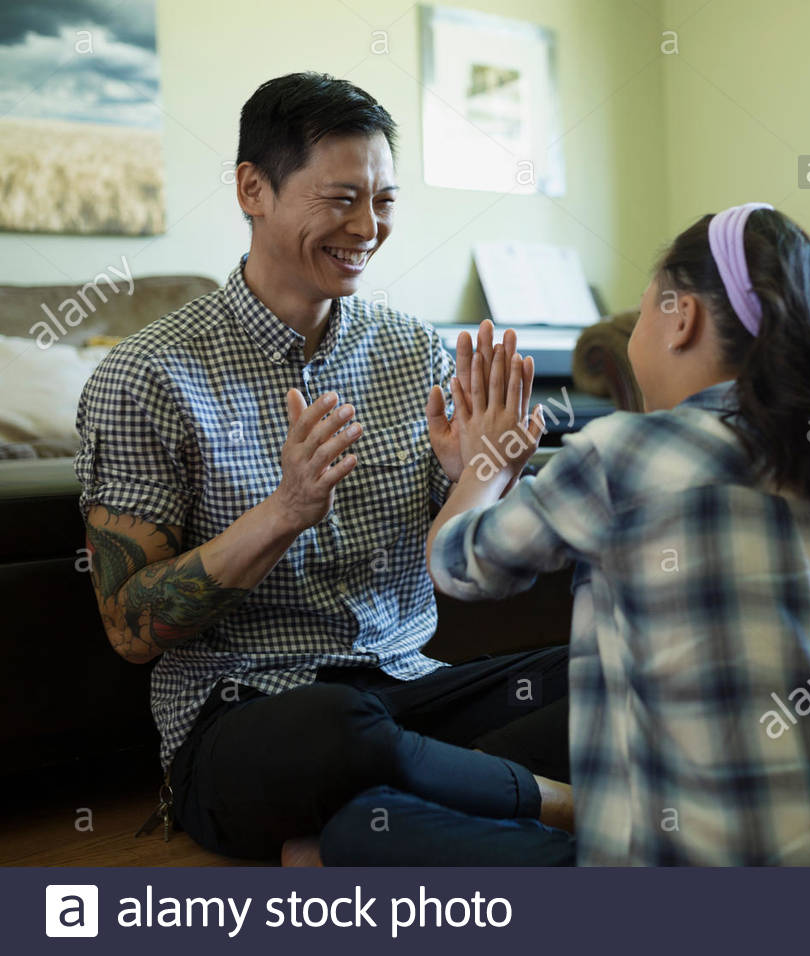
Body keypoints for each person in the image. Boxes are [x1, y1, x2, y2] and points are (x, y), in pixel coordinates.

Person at [75, 72, 574, 866]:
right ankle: (545, 807)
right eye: (341, 199)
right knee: (334, 728)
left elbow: (461, 561)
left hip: (412, 691)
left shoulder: (413, 351)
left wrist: (477, 476)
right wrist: (282, 512)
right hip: (251, 717)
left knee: (608, 670)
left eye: (383, 201)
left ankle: (368, 831)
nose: (368, 227)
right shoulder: (147, 375)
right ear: (252, 189)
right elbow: (130, 628)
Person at [421, 203, 810, 865]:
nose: (636, 331)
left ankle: (550, 804)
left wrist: (483, 467)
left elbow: (458, 564)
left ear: (683, 317)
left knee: (359, 827)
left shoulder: (623, 453)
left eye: (645, 308)